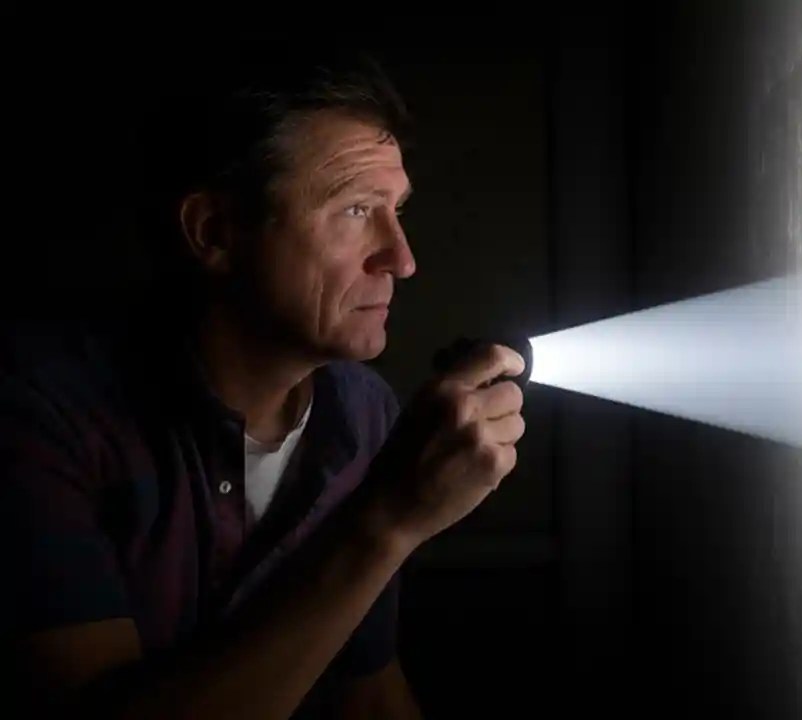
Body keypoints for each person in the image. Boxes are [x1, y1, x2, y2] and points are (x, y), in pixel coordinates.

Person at [0, 46, 527, 718]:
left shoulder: (364, 413)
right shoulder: (39, 411)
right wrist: (389, 521)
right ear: (215, 231)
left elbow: (367, 694)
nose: (402, 258)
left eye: (397, 209)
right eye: (357, 211)